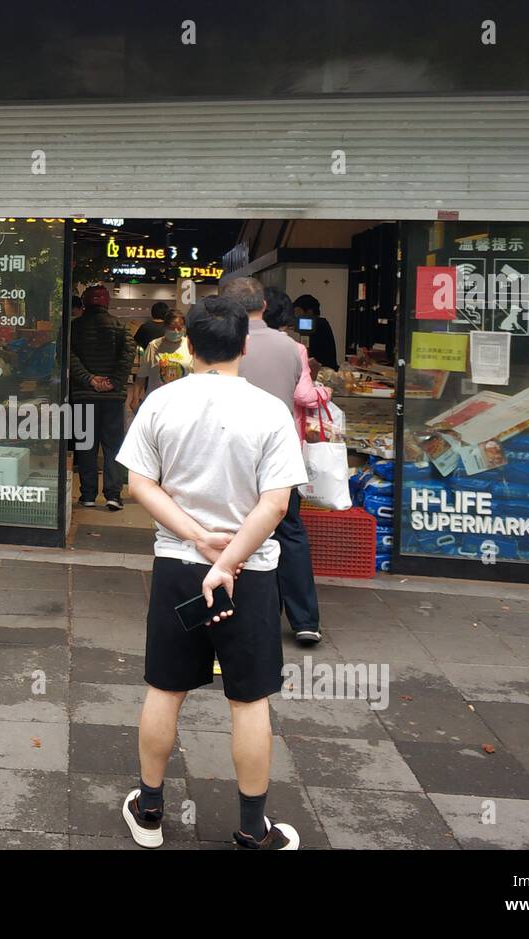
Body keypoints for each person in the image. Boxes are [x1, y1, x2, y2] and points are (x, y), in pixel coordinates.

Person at [116, 294, 307, 851]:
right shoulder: (269, 410)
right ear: (244, 347)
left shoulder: (161, 403)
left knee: (165, 689)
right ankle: (252, 830)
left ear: (189, 344)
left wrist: (199, 541)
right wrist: (227, 561)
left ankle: (149, 813)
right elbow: (275, 505)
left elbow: (139, 485)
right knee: (249, 701)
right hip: (252, 574)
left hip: (179, 566)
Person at [224, 277, 328, 646]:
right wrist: (323, 390)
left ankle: (233, 611)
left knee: (233, 528)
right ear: (263, 306)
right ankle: (305, 619)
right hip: (280, 453)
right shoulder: (292, 346)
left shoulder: (227, 342)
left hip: (232, 451)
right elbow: (303, 395)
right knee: (290, 532)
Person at [70, 284, 138, 510]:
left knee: (86, 445)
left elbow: (69, 356)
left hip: (83, 395)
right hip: (112, 397)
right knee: (113, 446)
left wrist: (89, 379)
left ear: (85, 303)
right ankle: (113, 495)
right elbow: (127, 356)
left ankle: (88, 495)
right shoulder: (121, 326)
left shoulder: (74, 327)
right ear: (107, 302)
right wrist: (113, 382)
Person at [134, 310, 193, 405]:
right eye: (172, 328)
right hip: (157, 401)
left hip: (182, 402)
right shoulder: (154, 345)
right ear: (165, 327)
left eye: (179, 328)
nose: (176, 331)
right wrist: (135, 398)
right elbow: (141, 375)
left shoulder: (189, 345)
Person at [293, 293, 339, 372]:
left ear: (309, 312)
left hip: (323, 371)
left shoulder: (317, 323)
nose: (296, 315)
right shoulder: (321, 322)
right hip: (323, 369)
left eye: (298, 311)